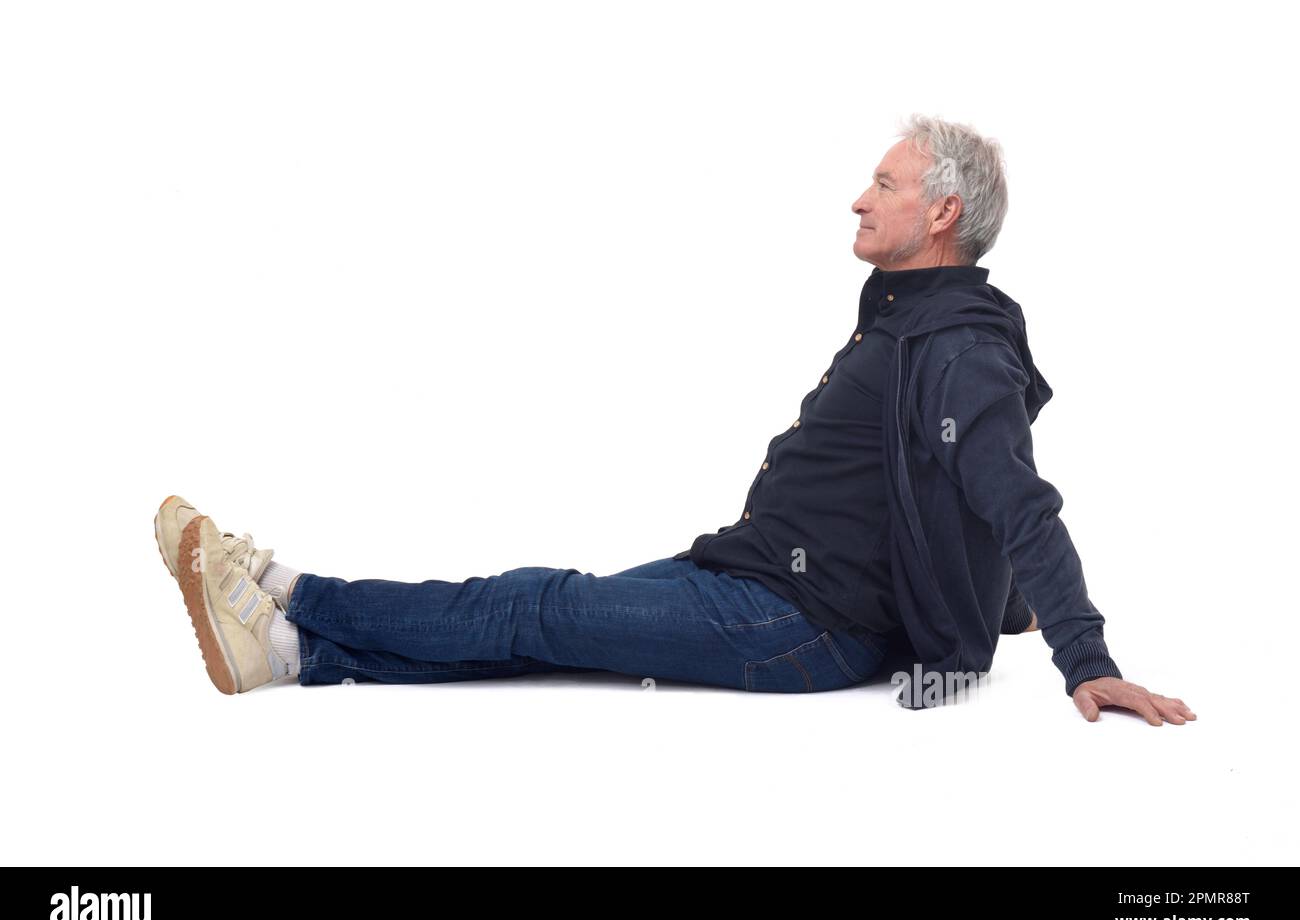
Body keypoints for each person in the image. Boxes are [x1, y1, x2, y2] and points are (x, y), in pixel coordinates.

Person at [153, 114, 1195, 725]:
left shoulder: (957, 346)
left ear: (942, 215)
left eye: (883, 182)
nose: (857, 198)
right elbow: (941, 498)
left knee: (535, 606)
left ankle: (288, 591)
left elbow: (1013, 500)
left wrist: (1083, 656)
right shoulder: (910, 319)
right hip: (753, 575)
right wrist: (995, 605)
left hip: (801, 623)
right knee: (541, 619)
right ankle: (291, 653)